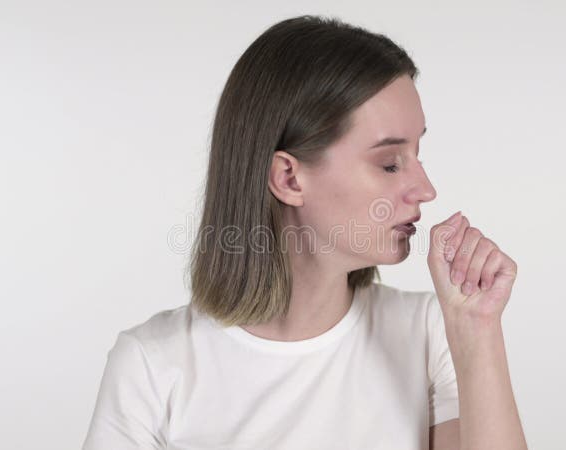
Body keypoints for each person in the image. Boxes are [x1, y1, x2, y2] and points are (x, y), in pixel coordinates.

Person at [82, 15, 527, 450]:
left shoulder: (429, 335)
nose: (426, 189)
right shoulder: (152, 365)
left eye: (418, 154)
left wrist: (477, 331)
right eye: (390, 163)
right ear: (289, 178)